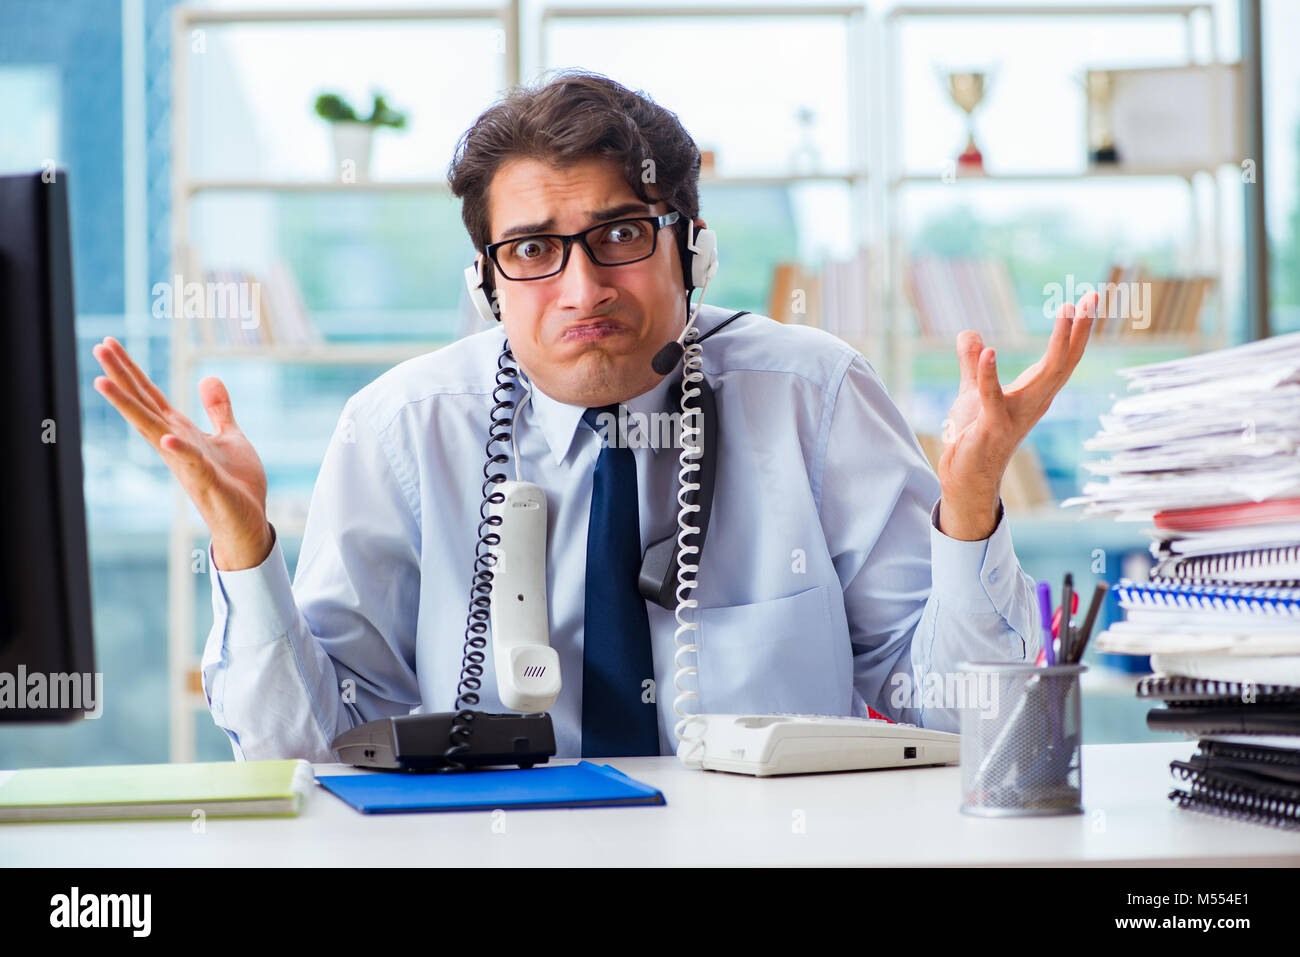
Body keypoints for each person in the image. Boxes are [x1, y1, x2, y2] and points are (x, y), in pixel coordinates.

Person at [92, 71, 1097, 762]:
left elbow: (960, 715)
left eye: (619, 233)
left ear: (690, 248)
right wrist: (243, 549)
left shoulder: (812, 396)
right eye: (531, 249)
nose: (580, 289)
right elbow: (305, 748)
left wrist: (969, 511)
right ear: (487, 282)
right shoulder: (402, 430)